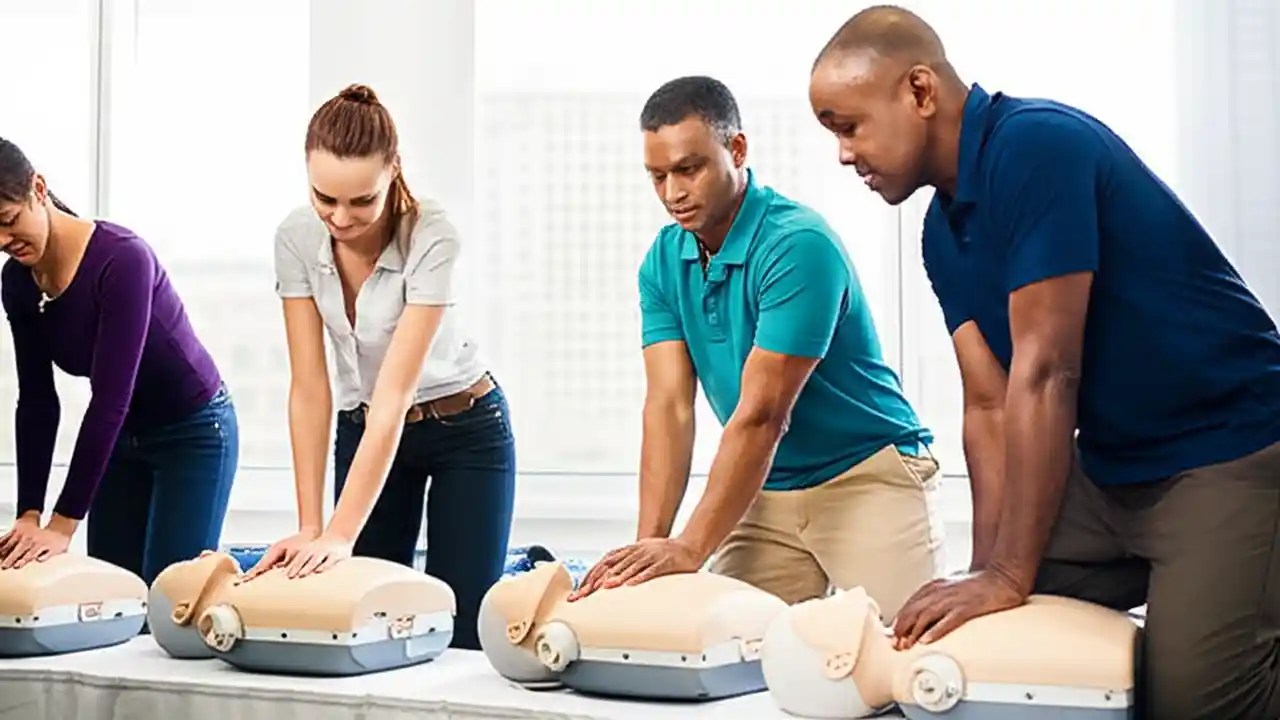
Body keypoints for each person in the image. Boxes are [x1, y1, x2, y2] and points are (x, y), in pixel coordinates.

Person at [807, 6, 1280, 719]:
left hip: (1230, 449)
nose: (844, 153)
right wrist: (985, 573)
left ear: (920, 91)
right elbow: (991, 407)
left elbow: (1048, 370)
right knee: (984, 626)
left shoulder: (1037, 148)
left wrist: (1008, 572)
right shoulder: (942, 232)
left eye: (850, 125)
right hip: (1117, 470)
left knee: (1191, 703)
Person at [571, 76, 943, 620]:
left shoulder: (797, 245)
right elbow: (669, 408)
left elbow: (763, 415)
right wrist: (647, 552)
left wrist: (692, 547)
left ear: (737, 150)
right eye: (657, 176)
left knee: (912, 657)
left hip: (865, 477)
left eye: (689, 168)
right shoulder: (662, 260)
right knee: (723, 648)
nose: (673, 192)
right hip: (763, 488)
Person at [244, 84, 516, 651]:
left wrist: (343, 533)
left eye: (361, 201)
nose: (341, 218)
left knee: (459, 625)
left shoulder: (434, 234)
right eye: (325, 198)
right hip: (363, 425)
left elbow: (394, 392)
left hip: (464, 428)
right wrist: (313, 527)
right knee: (361, 617)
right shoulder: (295, 238)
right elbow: (310, 388)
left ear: (394, 170)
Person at [0, 137, 238, 586]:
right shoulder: (17, 282)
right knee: (116, 594)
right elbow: (36, 402)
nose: (2, 241)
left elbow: (111, 397)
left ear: (38, 188)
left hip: (193, 431)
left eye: (8, 221)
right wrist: (30, 514)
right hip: (123, 438)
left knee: (170, 597)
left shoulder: (122, 258)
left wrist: (63, 524)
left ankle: (250, 567)